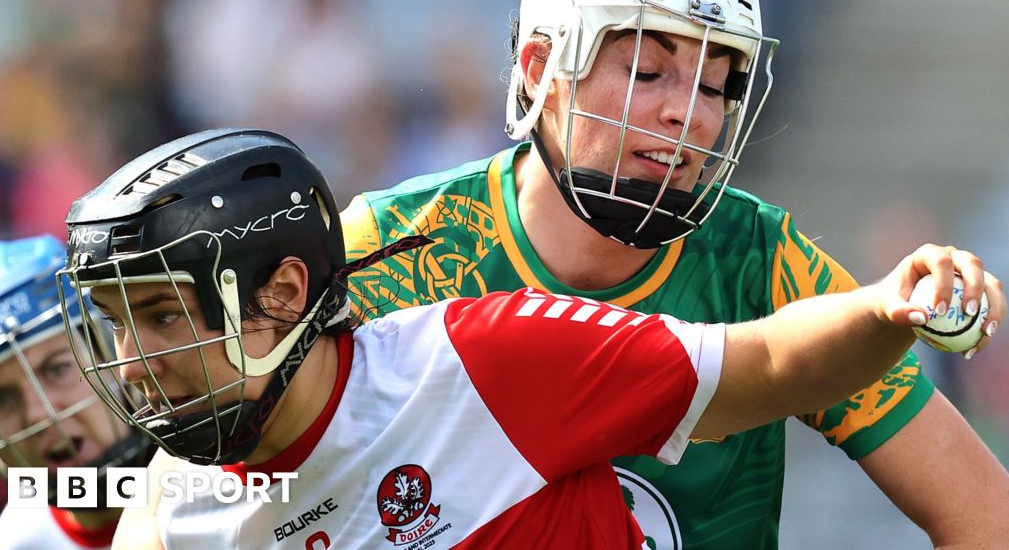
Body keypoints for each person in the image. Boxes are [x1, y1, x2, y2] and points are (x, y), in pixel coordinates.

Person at [56, 128, 1003, 549]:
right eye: (117, 323)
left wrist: (882, 308)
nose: (134, 360)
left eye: (162, 315)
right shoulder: (173, 513)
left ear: (286, 291)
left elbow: (771, 363)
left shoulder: (485, 359)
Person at [339, 0, 1009, 547]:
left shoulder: (763, 262)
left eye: (715, 84)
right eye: (647, 72)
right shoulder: (385, 252)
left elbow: (985, 515)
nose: (688, 115)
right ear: (542, 69)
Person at [0, 235, 152, 549]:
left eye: (57, 368)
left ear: (112, 354)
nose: (38, 413)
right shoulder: (21, 538)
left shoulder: (218, 486)